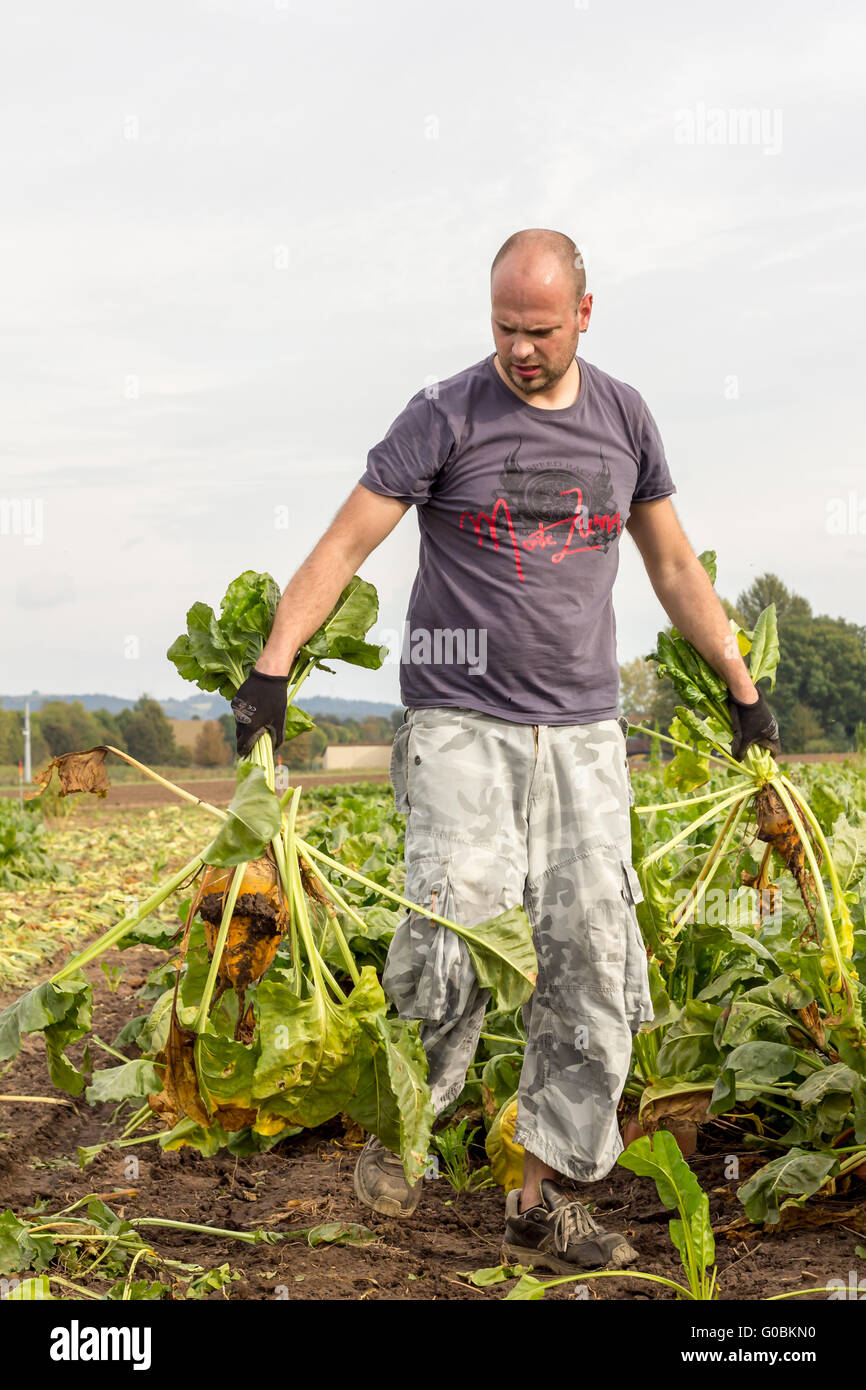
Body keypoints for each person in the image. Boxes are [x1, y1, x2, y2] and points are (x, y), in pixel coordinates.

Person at [231, 228, 781, 1275]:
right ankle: (402, 1136)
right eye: (502, 328)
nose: (519, 350)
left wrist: (740, 686)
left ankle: (542, 1195)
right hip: (459, 718)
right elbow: (348, 542)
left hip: (581, 729)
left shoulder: (623, 418)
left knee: (590, 953)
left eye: (537, 329)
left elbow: (669, 564)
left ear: (583, 312)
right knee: (454, 925)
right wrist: (271, 665)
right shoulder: (443, 413)